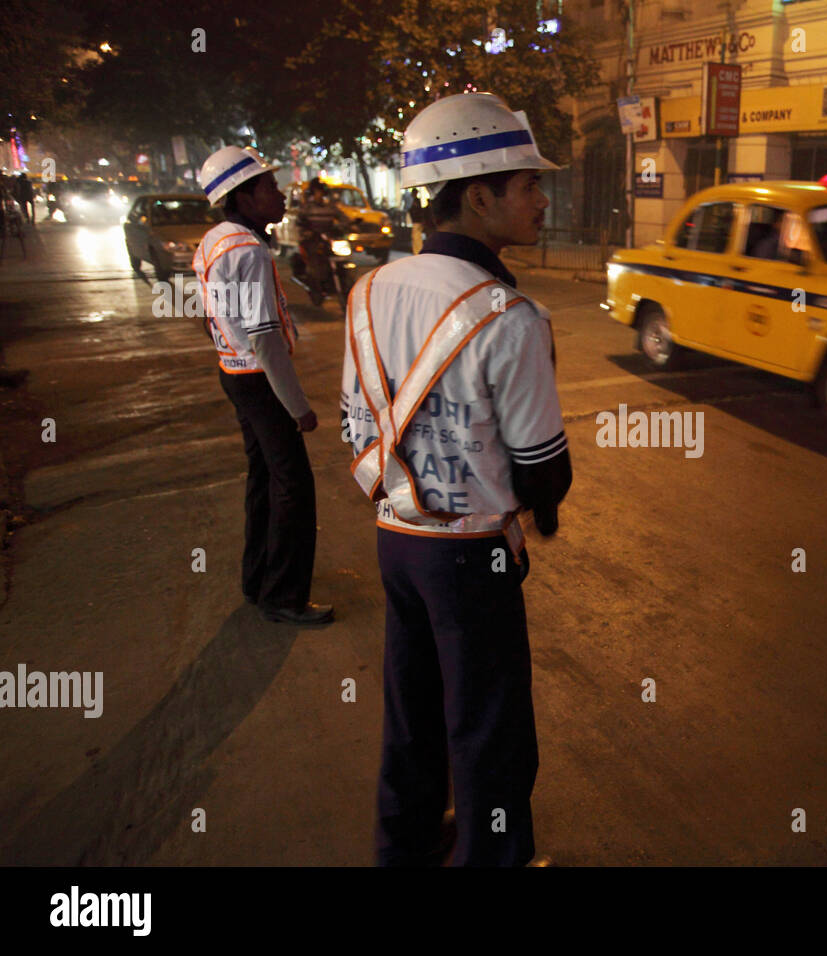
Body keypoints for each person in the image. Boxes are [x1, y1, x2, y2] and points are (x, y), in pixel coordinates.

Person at [342, 92, 571, 867]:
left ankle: (401, 851)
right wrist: (541, 510)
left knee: (412, 716)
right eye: (527, 184)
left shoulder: (368, 292)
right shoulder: (510, 316)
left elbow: (356, 425)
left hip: (396, 542)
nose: (542, 200)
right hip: (474, 556)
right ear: (479, 197)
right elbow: (545, 467)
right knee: (491, 736)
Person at [193, 146, 333, 626]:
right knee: (293, 487)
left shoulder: (215, 240)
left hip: (232, 372)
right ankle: (284, 596)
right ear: (245, 197)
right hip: (259, 379)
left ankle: (257, 580)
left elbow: (215, 313)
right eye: (269, 187)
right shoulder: (248, 251)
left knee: (263, 480)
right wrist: (298, 408)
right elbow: (266, 340)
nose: (280, 194)